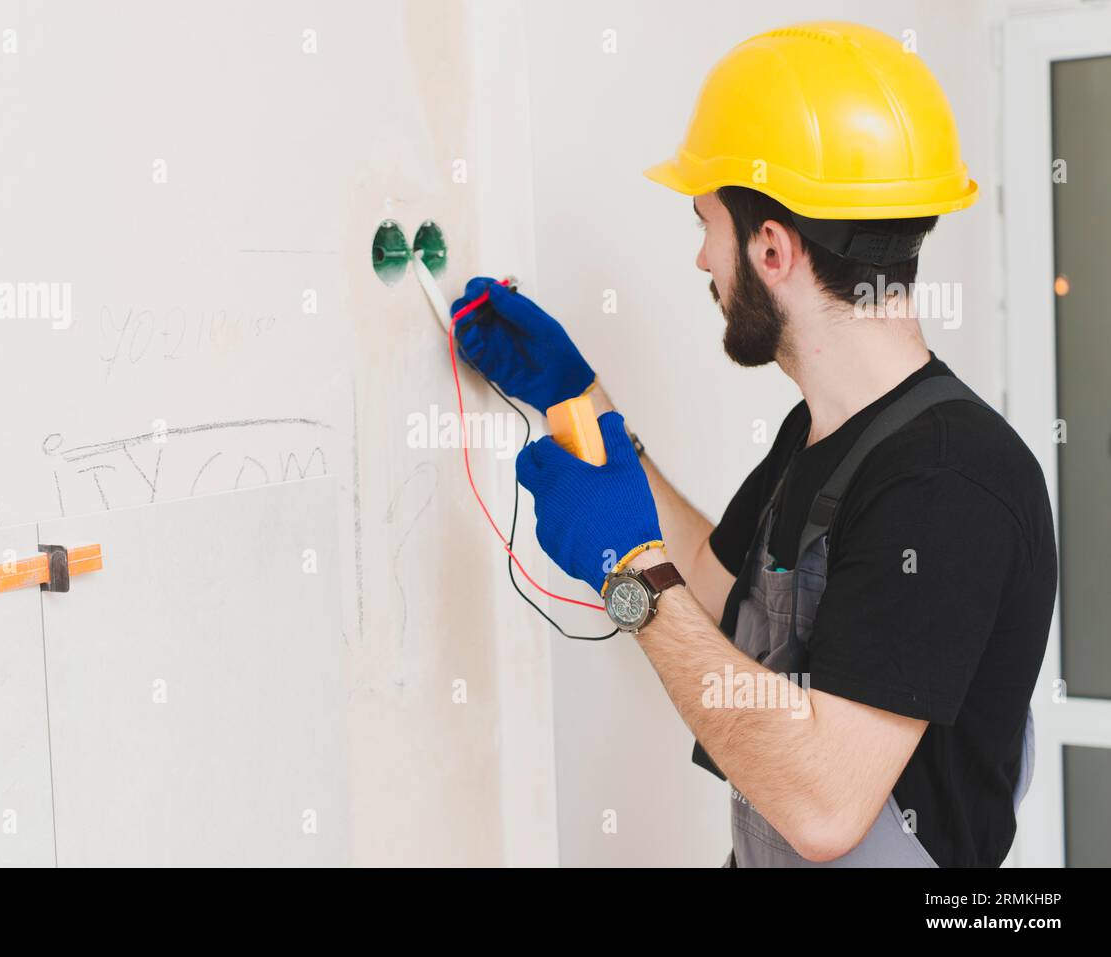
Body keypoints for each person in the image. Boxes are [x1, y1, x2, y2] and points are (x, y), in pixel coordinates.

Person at [451, 21, 1056, 867]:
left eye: (707, 225)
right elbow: (715, 580)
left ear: (772, 247)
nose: (702, 259)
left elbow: (822, 804)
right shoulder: (829, 431)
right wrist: (581, 402)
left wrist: (628, 573)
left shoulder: (950, 482)